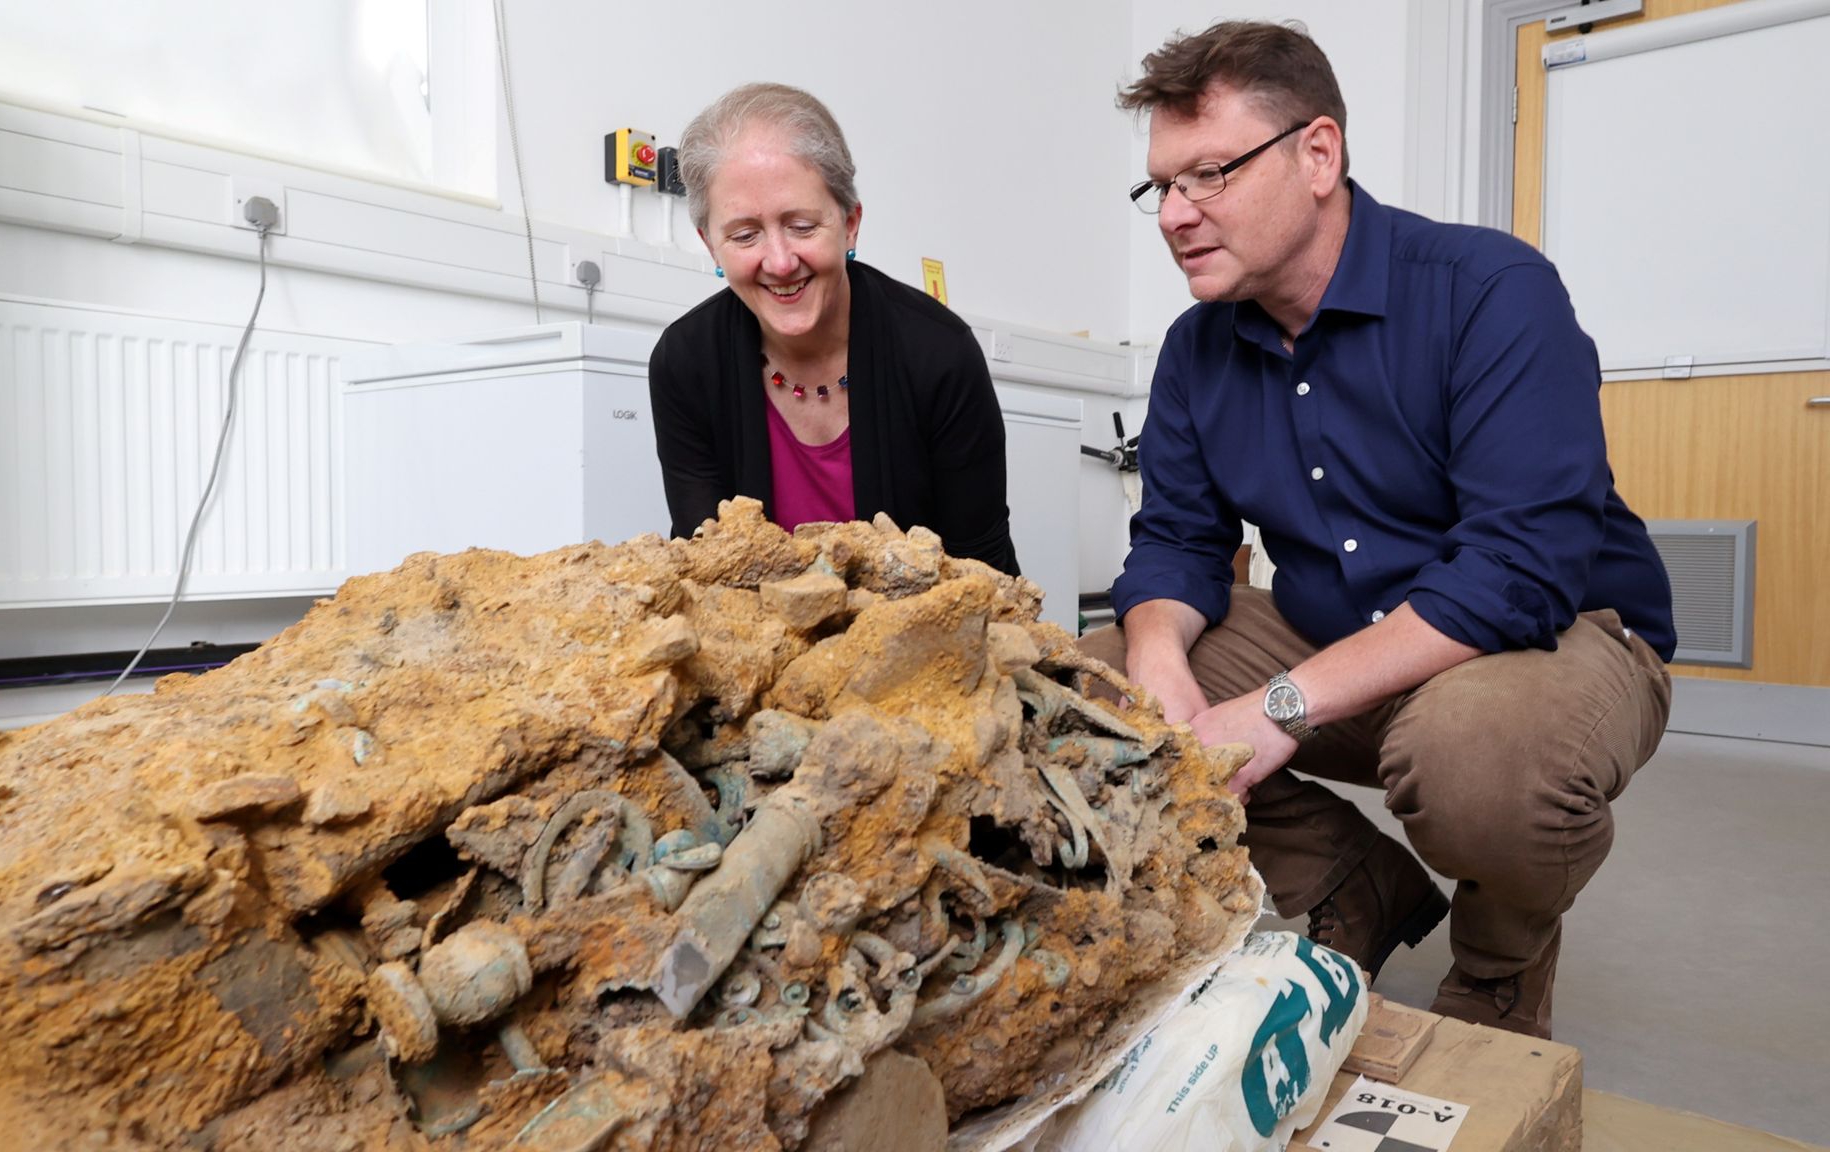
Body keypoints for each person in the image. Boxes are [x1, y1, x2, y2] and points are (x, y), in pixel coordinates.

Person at [1078, 21, 1675, 1040]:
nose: (1174, 215)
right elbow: (1176, 541)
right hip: (1337, 638)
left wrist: (1276, 706)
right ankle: (1349, 881)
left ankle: (1499, 965)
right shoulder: (1194, 349)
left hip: (1549, 636)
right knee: (1085, 698)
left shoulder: (1489, 291)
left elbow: (1516, 573)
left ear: (1316, 155)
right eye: (1161, 187)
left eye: (1207, 175)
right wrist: (1156, 663)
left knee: (1480, 758)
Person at [647, 83, 1019, 576]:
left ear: (850, 223)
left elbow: (983, 572)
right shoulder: (685, 363)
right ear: (711, 245)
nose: (780, 262)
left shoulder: (939, 355)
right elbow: (707, 567)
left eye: (802, 226)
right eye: (744, 235)